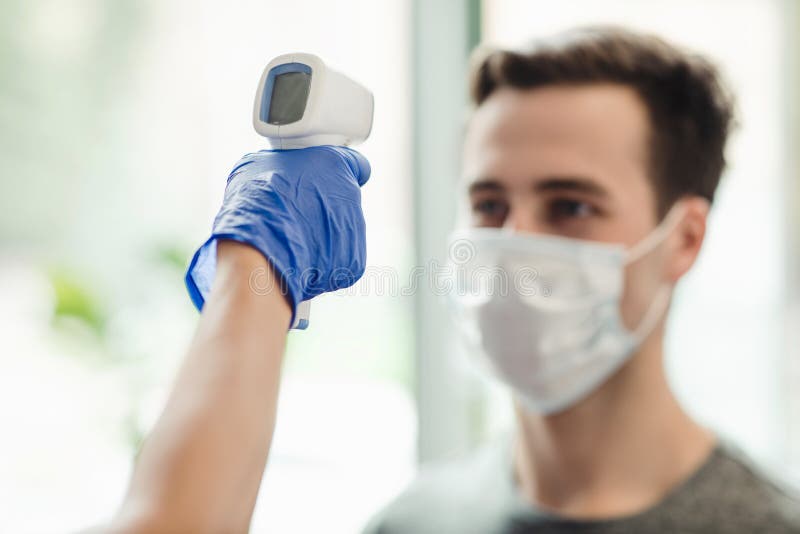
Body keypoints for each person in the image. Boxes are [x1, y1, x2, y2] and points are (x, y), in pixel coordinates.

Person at [91, 27, 800, 534]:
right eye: (489, 205)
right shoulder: (410, 520)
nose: (510, 245)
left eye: (572, 206)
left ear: (684, 240)